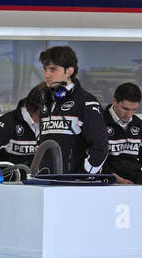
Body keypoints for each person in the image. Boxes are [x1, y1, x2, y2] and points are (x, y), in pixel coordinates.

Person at [37, 45, 108, 175]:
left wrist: (82, 176)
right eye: (45, 69)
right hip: (46, 181)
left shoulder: (86, 102)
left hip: (74, 184)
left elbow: (100, 147)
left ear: (69, 71)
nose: (47, 74)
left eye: (53, 69)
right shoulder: (46, 101)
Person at [102, 82, 142, 185]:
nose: (129, 115)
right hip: (109, 182)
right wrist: (117, 180)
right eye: (125, 109)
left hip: (136, 181)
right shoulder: (99, 123)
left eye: (134, 110)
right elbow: (94, 159)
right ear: (115, 101)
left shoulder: (140, 125)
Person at [0, 83, 46, 167]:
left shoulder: (51, 124)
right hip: (12, 179)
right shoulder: (6, 124)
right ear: (41, 107)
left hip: (43, 178)